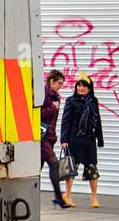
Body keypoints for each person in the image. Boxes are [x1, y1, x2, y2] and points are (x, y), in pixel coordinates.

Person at [60, 73, 105, 208]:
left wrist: (100, 138)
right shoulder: (70, 101)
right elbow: (65, 121)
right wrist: (64, 139)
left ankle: (94, 198)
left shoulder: (93, 101)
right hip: (74, 140)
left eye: (84, 86)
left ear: (89, 88)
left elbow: (97, 120)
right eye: (79, 85)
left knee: (92, 169)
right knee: (72, 169)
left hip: (89, 140)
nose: (81, 88)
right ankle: (67, 196)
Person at [40, 69, 68, 208]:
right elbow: (37, 113)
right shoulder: (44, 93)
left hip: (49, 137)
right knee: (54, 164)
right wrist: (52, 108)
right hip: (42, 137)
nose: (61, 86)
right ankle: (59, 197)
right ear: (51, 81)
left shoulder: (56, 96)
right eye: (59, 83)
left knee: (37, 168)